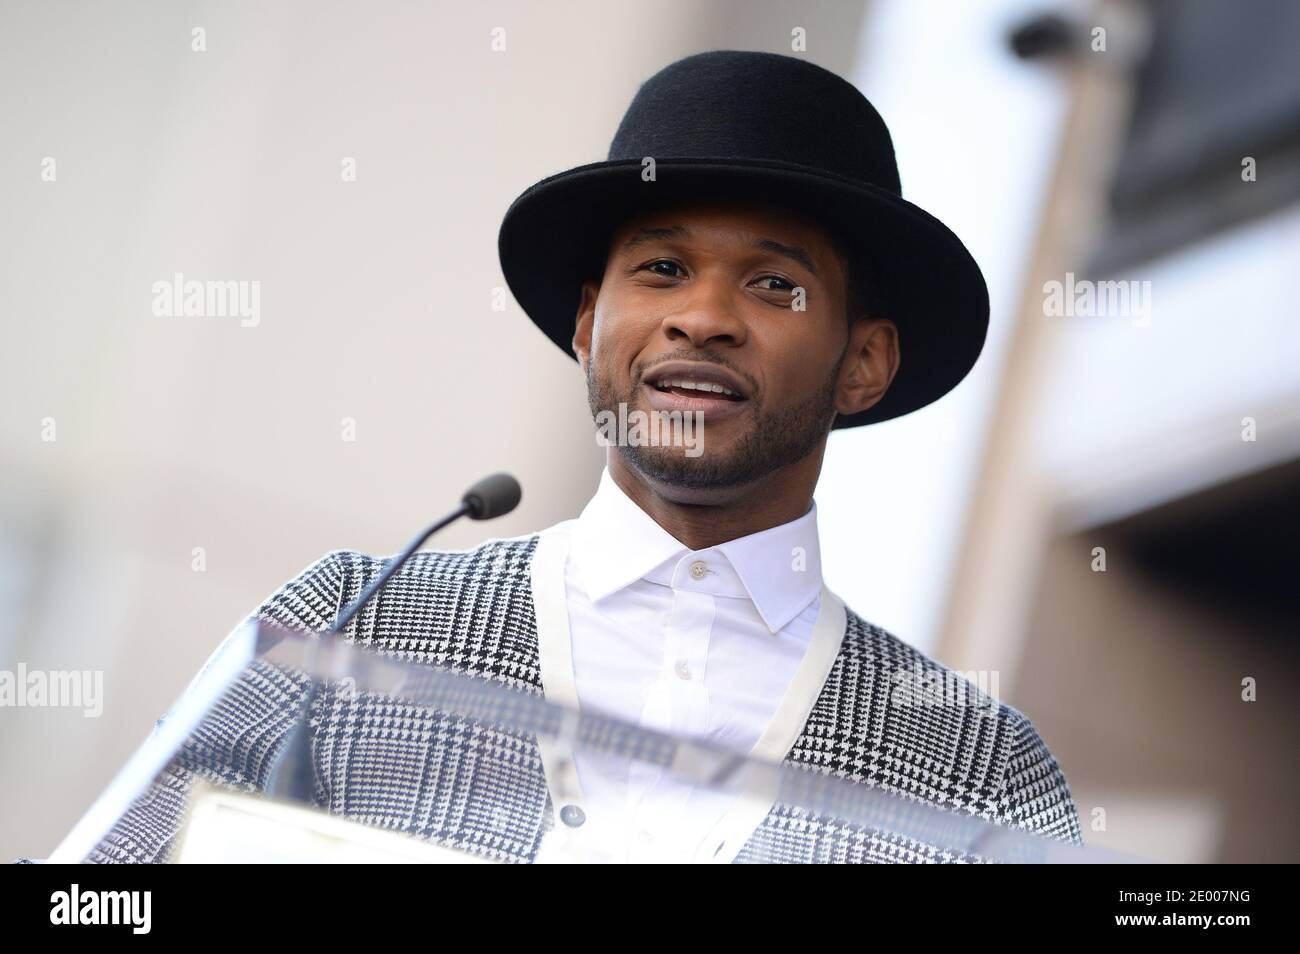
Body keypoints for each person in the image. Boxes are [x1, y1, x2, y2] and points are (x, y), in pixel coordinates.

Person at [81, 50, 1082, 864]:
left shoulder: (978, 766)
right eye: (661, 269)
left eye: (774, 285)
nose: (701, 318)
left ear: (863, 363)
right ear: (589, 320)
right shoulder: (348, 621)